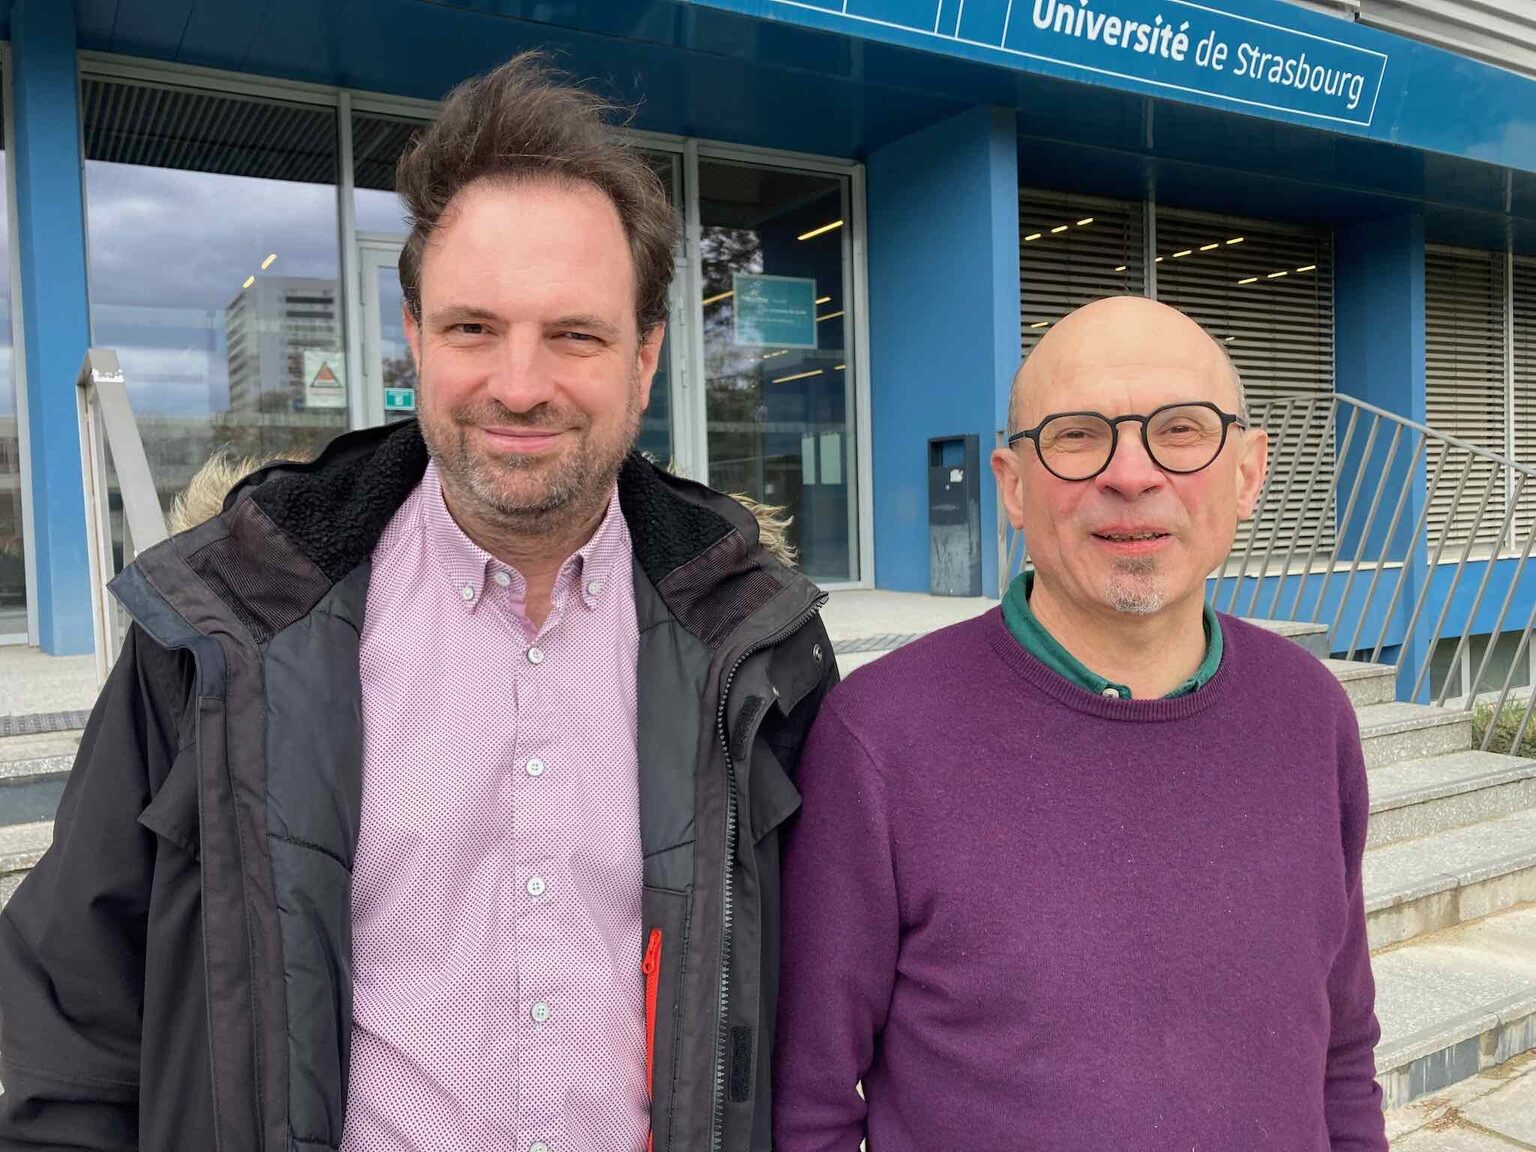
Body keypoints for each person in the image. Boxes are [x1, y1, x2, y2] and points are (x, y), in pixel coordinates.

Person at [0, 53, 836, 1152]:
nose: (521, 383)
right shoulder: (224, 635)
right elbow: (67, 1032)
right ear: (415, 339)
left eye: (574, 335)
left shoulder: (760, 650)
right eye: (473, 328)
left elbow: (825, 1020)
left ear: (646, 357)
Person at [773, 295, 1387, 1150]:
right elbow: (810, 1104)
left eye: (1180, 429)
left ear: (1248, 472)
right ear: (1014, 488)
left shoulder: (1311, 711)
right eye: (1076, 435)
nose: (1130, 475)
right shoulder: (879, 739)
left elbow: (1343, 1053)